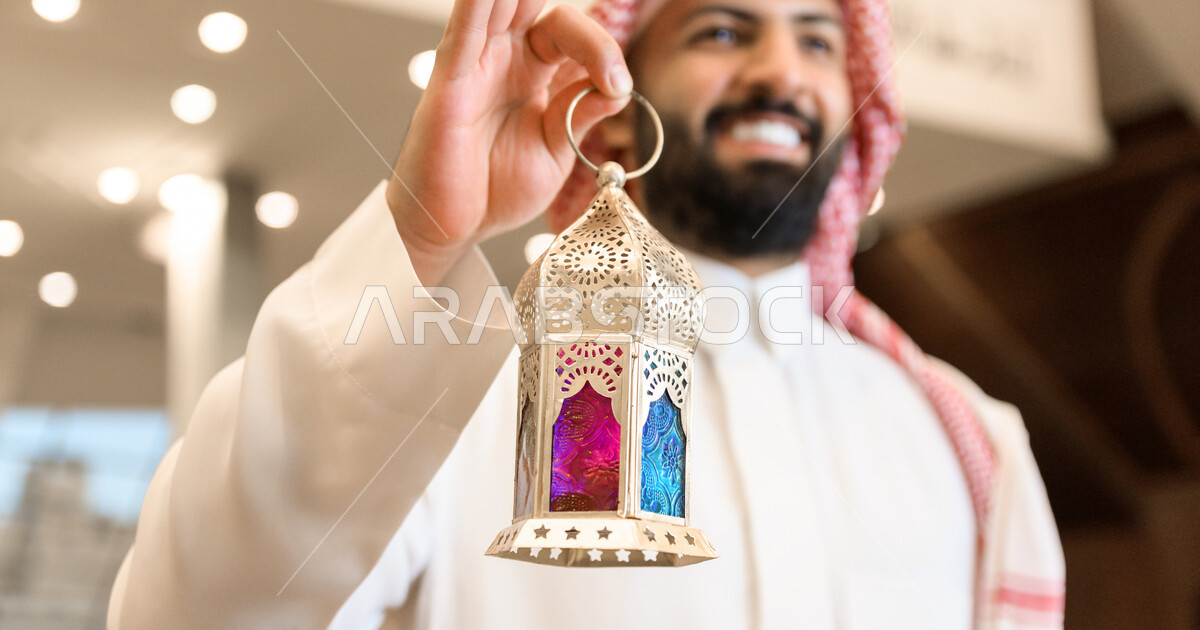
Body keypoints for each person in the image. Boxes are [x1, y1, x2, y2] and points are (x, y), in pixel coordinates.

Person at [107, 0, 1066, 627]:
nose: (782, 72)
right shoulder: (465, 397)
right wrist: (424, 233)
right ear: (611, 110)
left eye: (818, 39)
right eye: (723, 32)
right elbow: (196, 613)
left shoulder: (963, 438)